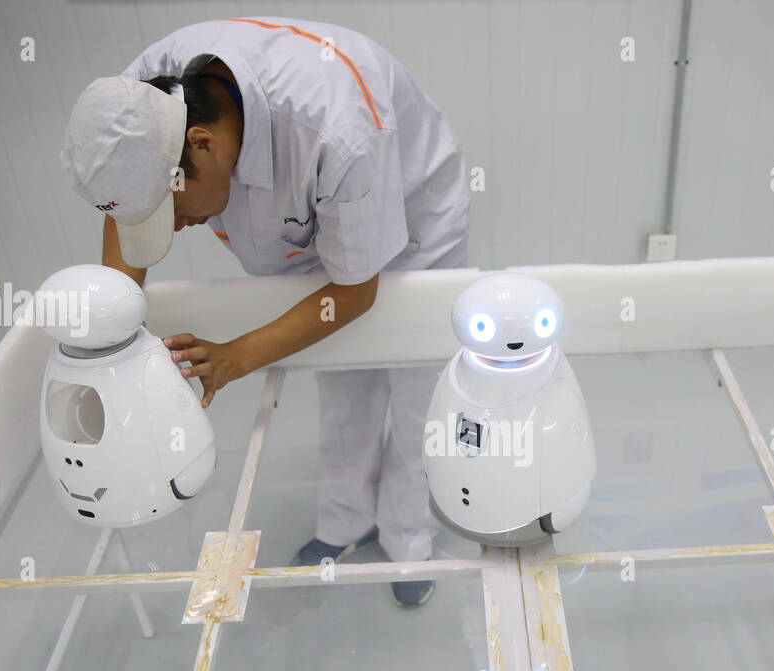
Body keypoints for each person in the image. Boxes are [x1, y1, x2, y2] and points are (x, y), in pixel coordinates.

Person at [61, 16, 470, 607]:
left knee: (415, 392)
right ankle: (345, 522)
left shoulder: (337, 129)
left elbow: (353, 294)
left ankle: (409, 542)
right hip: (308, 218)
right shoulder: (136, 109)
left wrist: (236, 357)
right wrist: (115, 339)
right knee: (341, 377)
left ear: (202, 143)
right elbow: (126, 204)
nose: (175, 228)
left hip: (411, 219)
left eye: (172, 212)